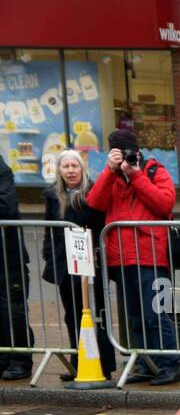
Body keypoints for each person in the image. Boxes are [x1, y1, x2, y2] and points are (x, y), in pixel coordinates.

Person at [86, 128, 180, 385]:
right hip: (120, 256)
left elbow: (164, 204)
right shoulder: (110, 176)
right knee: (136, 317)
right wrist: (109, 170)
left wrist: (136, 175)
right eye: (118, 152)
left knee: (155, 314)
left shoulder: (153, 171)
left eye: (129, 152)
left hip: (149, 254)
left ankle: (169, 365)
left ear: (137, 151)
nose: (126, 157)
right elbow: (94, 203)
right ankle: (145, 363)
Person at [40, 150, 114, 381]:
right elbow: (48, 228)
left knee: (95, 314)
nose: (71, 170)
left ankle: (103, 365)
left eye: (75, 166)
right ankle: (77, 363)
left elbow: (98, 223)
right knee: (72, 316)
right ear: (59, 170)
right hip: (64, 263)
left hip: (89, 263)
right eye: (66, 166)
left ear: (82, 169)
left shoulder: (93, 191)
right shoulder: (53, 196)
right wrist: (48, 253)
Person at [0, 153, 33, 381]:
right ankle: (3, 358)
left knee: (14, 310)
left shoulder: (2, 170)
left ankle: (21, 359)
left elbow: (6, 207)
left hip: (8, 255)